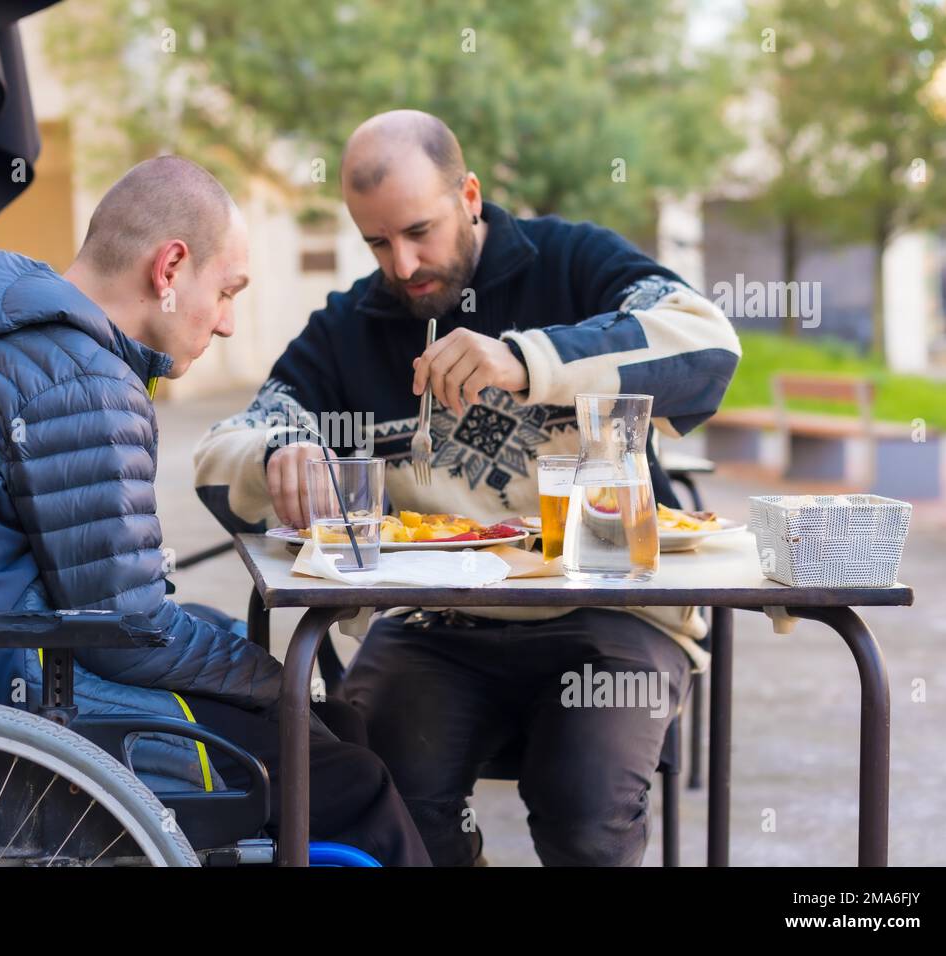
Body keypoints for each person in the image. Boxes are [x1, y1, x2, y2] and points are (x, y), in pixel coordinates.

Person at [193, 111, 742, 866]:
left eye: (421, 229)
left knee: (586, 813)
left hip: (610, 615)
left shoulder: (573, 261)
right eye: (377, 242)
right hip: (438, 627)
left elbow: (710, 344)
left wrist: (528, 360)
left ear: (471, 196)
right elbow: (221, 454)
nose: (404, 263)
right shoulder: (349, 326)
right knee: (374, 797)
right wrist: (279, 451)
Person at [0, 155, 430, 866]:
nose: (227, 324)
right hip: (14, 709)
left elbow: (110, 608)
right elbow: (126, 630)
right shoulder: (77, 378)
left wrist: (257, 667)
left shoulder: (10, 342)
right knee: (354, 779)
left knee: (328, 718)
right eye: (226, 292)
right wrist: (269, 674)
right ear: (169, 270)